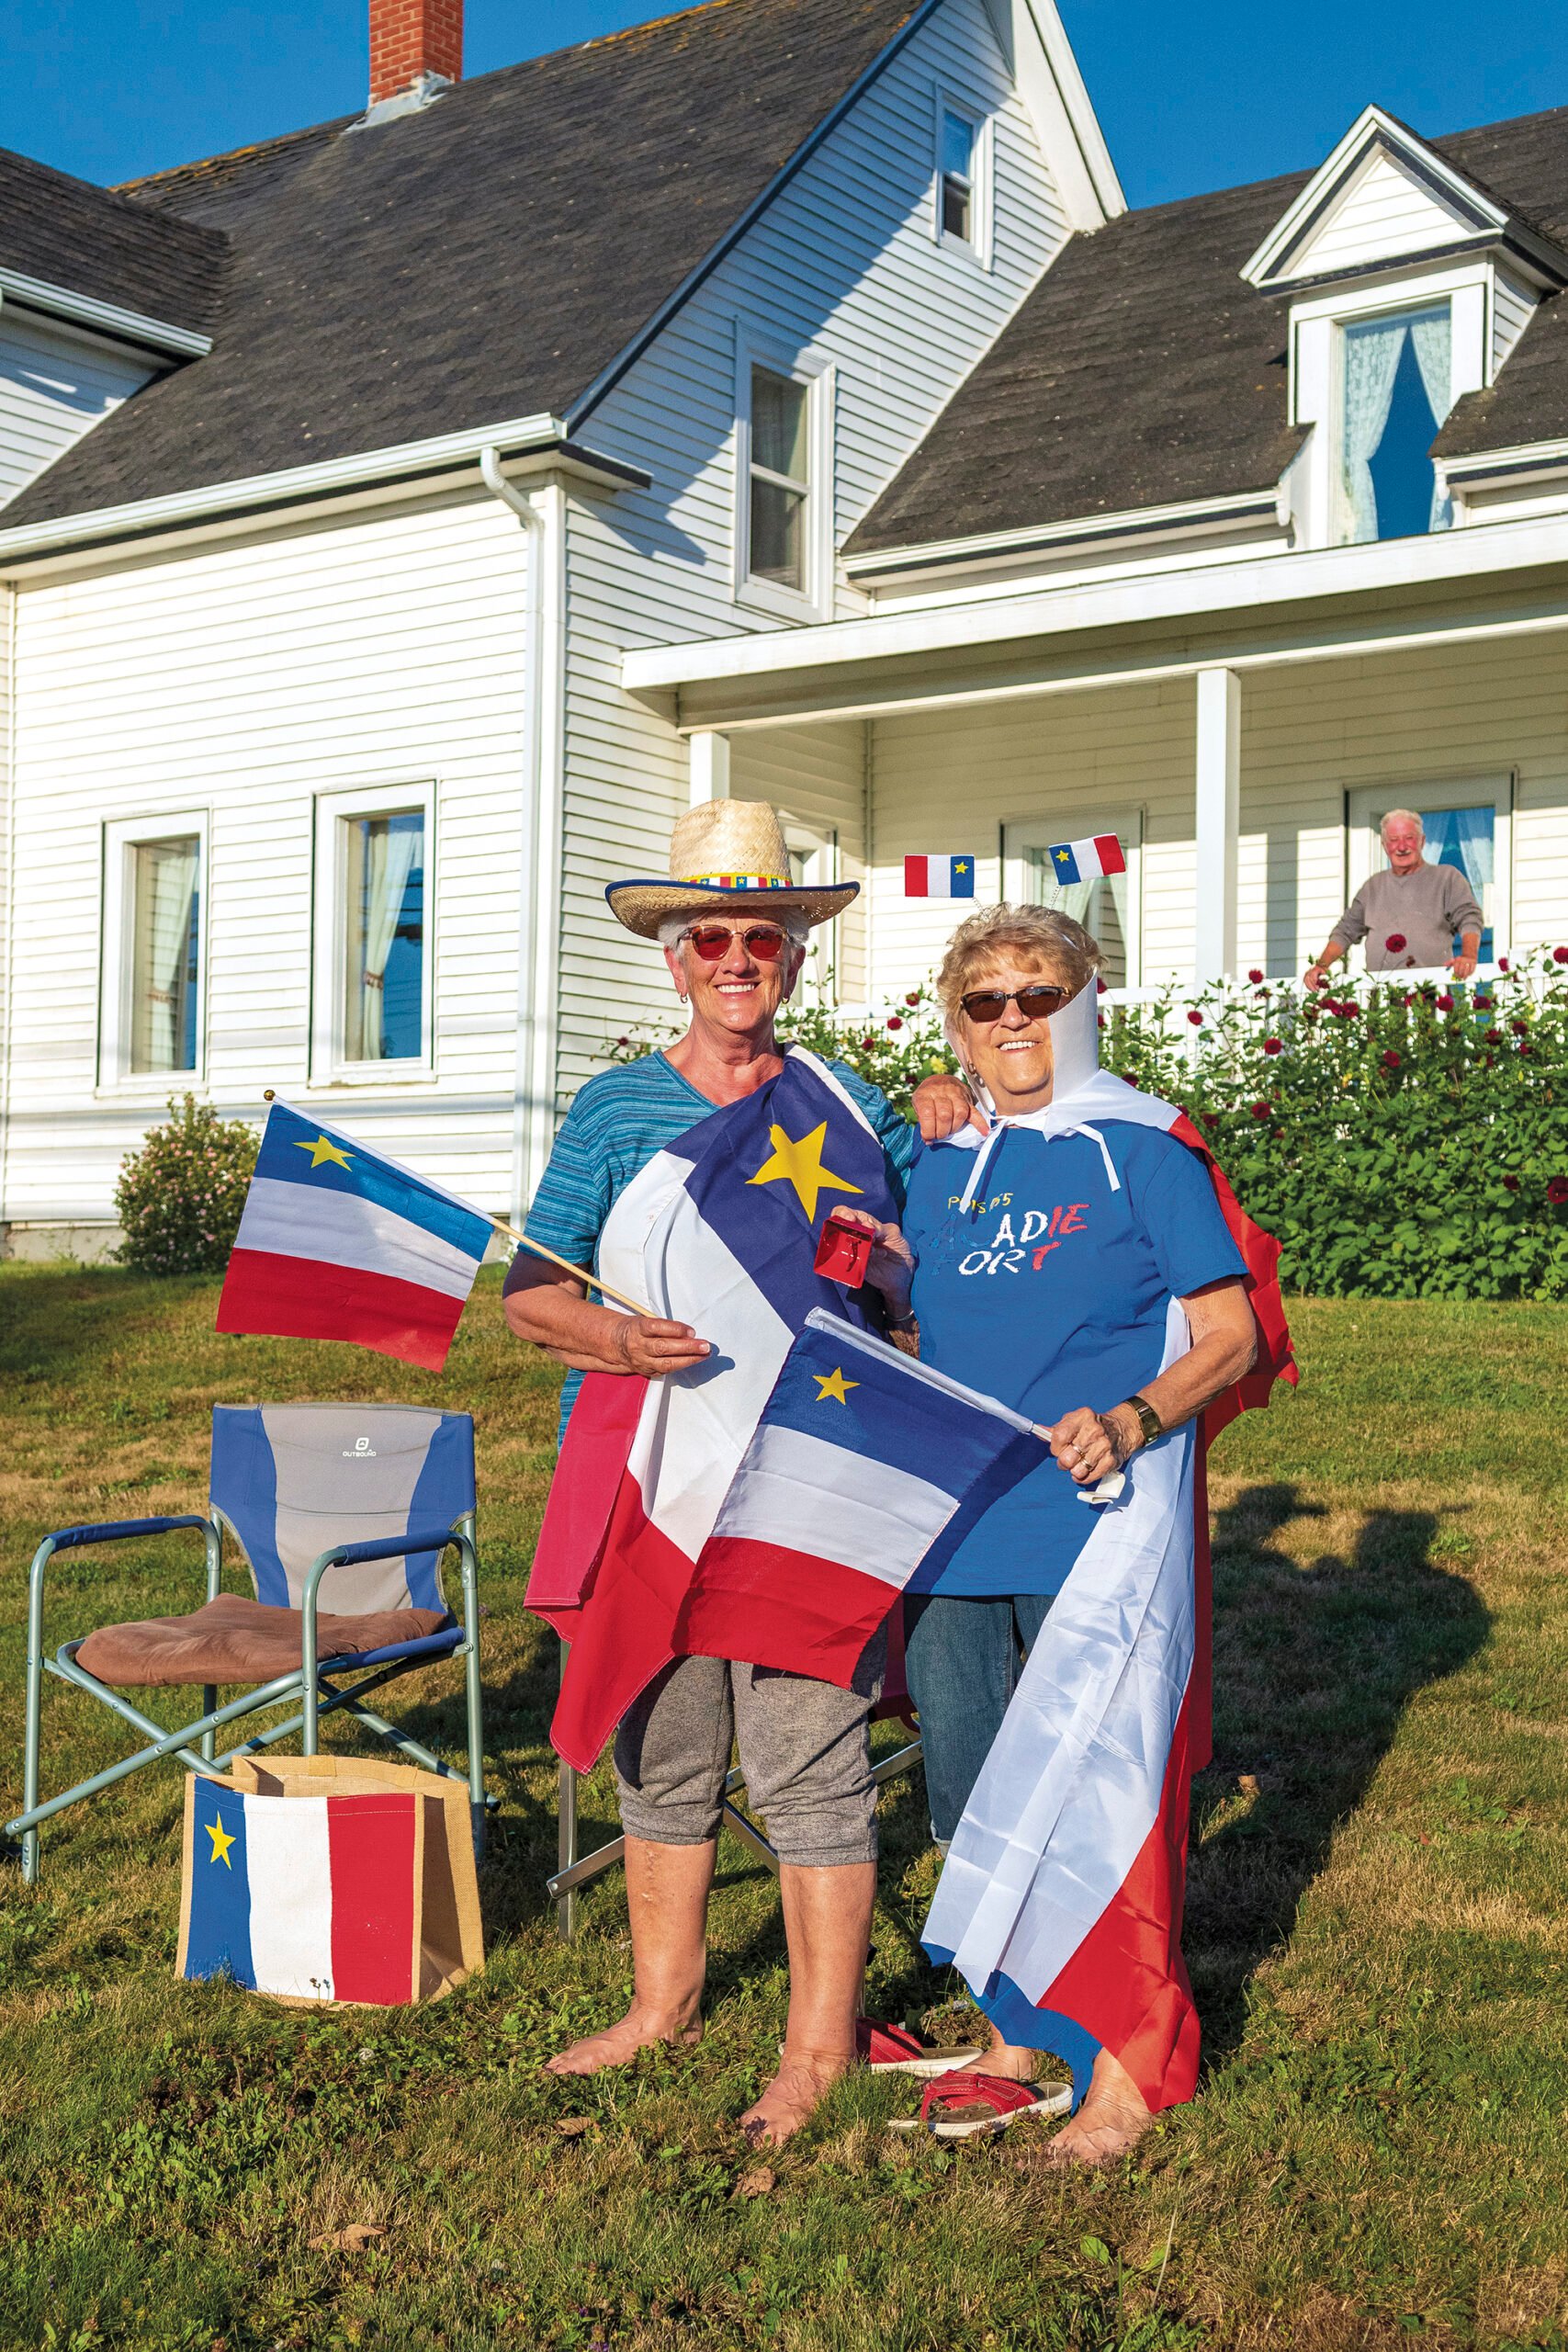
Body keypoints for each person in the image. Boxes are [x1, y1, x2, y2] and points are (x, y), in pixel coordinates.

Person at [503, 797, 972, 2145]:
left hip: (803, 1473)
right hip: (648, 1471)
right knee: (663, 1745)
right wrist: (613, 1336)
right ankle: (662, 2008)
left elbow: (917, 1260)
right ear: (673, 955)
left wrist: (937, 1121)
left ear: (792, 957)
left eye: (758, 937)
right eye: (708, 935)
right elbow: (531, 1295)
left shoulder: (843, 1100)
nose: (734, 959)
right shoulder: (613, 1109)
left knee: (804, 1755)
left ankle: (815, 2050)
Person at [846, 903, 1258, 2164]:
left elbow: (1228, 1332)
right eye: (985, 1004)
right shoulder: (933, 1157)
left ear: (1084, 1002)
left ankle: (1127, 2068)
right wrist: (909, 1100)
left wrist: (1136, 1416)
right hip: (952, 1525)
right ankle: (1013, 2039)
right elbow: (859, 1261)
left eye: (1038, 994)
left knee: (1102, 1788)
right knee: (971, 1789)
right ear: (954, 1025)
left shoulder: (1144, 1152)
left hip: (1095, 1523)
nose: (1013, 1019)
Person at [1304, 808, 1483, 988]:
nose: (1402, 847)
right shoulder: (1372, 888)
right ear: (1384, 846)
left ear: (1422, 841)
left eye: (1409, 838)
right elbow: (1345, 931)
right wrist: (1322, 966)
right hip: (1381, 998)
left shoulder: (1446, 878)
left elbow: (1469, 917)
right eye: (1394, 840)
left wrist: (1468, 956)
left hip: (1431, 994)